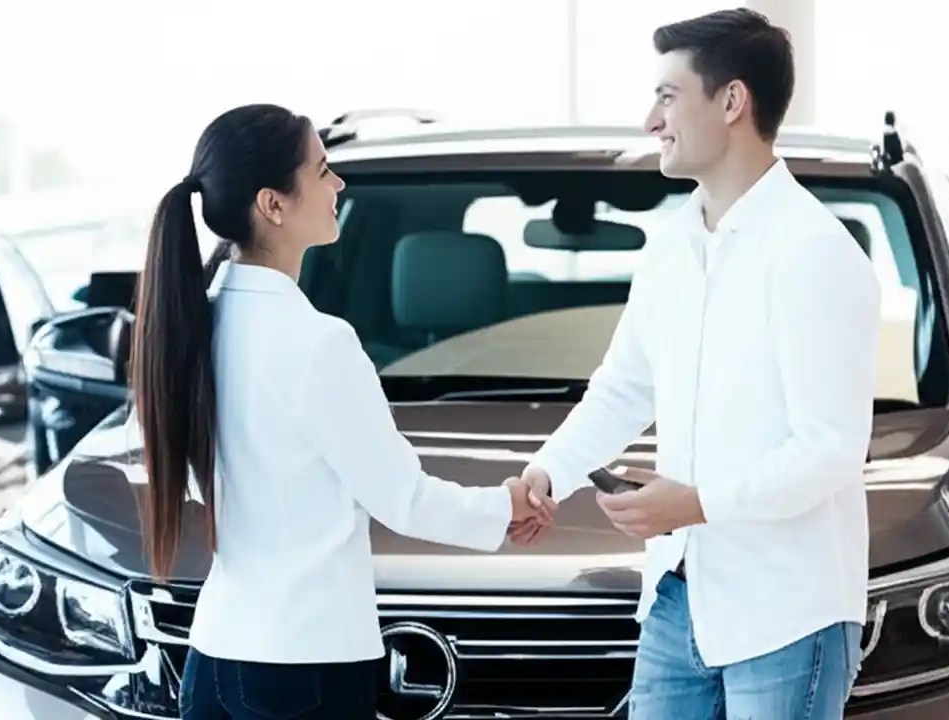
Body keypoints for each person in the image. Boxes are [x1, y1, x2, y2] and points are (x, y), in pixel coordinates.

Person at [506, 9, 880, 718]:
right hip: (679, 595)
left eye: (668, 96)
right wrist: (546, 471)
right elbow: (623, 389)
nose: (652, 120)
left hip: (786, 611)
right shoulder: (674, 245)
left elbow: (831, 447)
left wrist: (699, 503)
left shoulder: (813, 253)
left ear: (732, 101)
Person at [129, 104, 554, 719]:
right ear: (273, 204)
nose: (338, 185)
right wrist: (505, 506)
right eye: (323, 171)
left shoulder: (187, 326)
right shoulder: (316, 341)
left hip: (215, 658)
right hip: (306, 670)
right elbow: (402, 498)